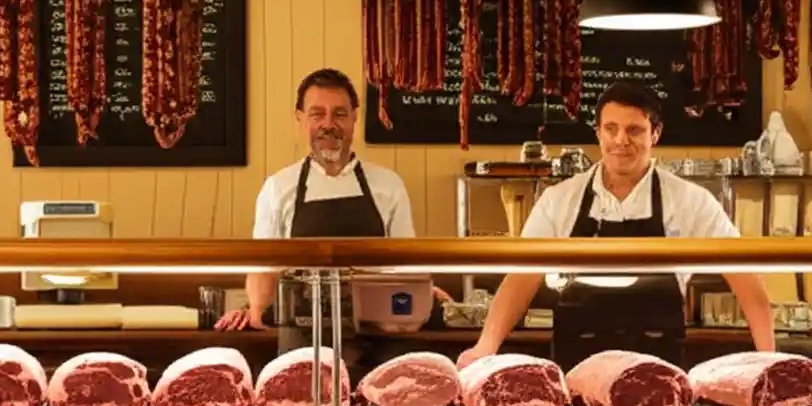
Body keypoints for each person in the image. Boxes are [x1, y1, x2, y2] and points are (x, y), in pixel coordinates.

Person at [456, 81, 775, 369]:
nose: (621, 140)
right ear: (598, 133)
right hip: (576, 365)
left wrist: (769, 359)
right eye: (611, 129)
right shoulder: (559, 199)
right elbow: (521, 278)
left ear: (656, 134)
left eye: (634, 130)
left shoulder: (691, 200)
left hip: (658, 370)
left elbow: (744, 275)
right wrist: (485, 346)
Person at [216, 68, 438, 331]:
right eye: (317, 114)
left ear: (355, 117)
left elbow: (407, 268)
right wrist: (254, 310)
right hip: (301, 333)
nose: (328, 124)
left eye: (340, 114)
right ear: (300, 118)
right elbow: (264, 267)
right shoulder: (278, 188)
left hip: (377, 332)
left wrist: (426, 297)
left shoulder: (388, 186)